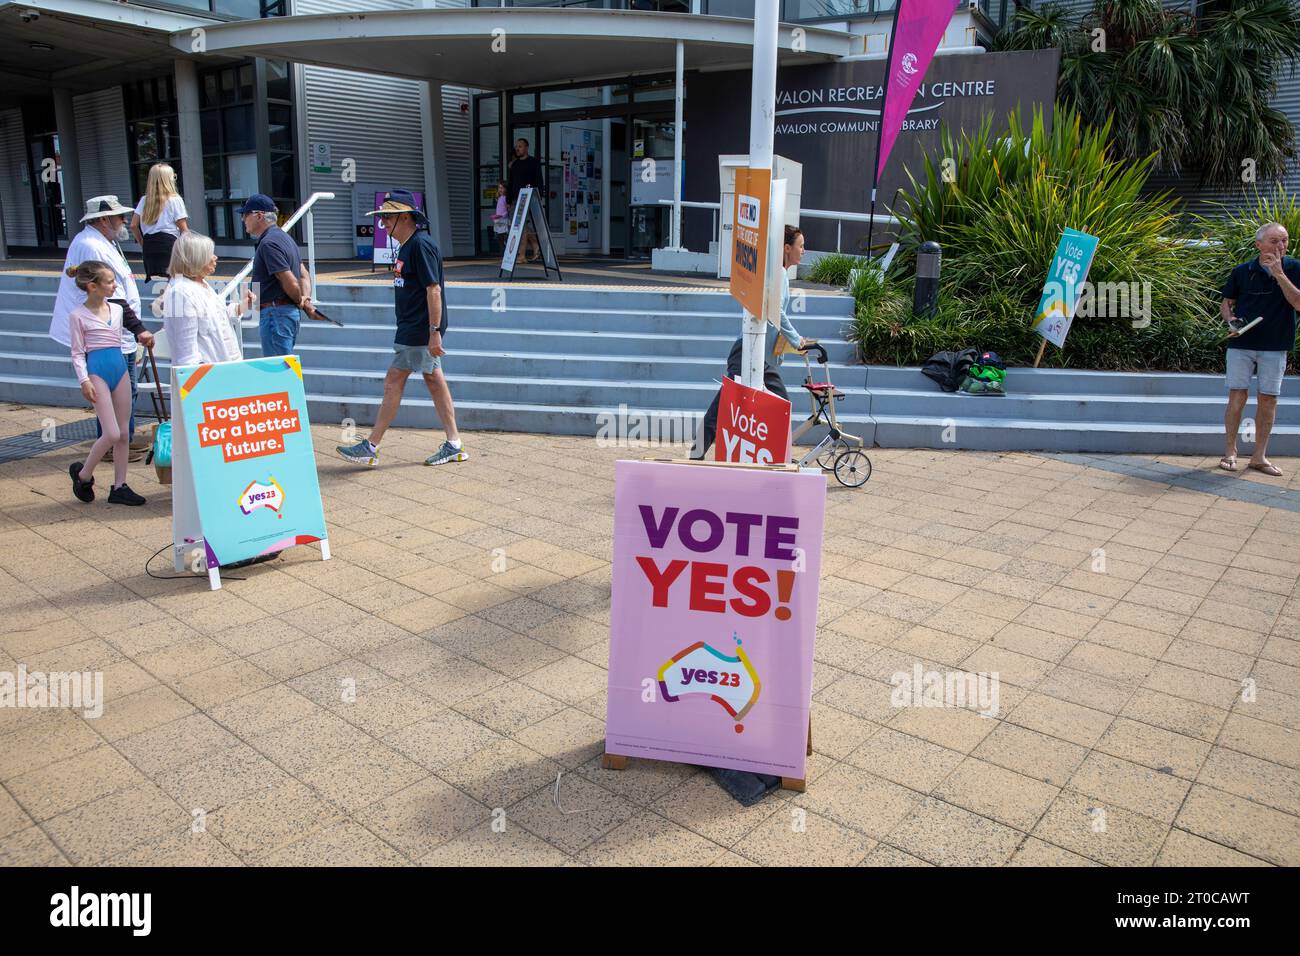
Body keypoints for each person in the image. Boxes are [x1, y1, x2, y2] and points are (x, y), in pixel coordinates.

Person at [336, 190, 466, 467]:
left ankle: (371, 446)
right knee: (434, 381)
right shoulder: (409, 245)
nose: (381, 223)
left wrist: (433, 331)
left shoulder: (420, 245)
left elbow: (434, 289)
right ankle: (454, 443)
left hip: (418, 330)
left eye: (386, 217)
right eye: (381, 217)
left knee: (394, 381)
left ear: (404, 217)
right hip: (414, 327)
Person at [692, 225, 816, 459]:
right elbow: (775, 312)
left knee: (780, 405)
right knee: (723, 407)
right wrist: (796, 339)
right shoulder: (777, 274)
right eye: (800, 246)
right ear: (787, 248)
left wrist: (793, 342)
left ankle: (776, 456)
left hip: (763, 358)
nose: (804, 251)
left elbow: (774, 318)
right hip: (747, 353)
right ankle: (697, 453)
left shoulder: (779, 274)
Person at [51, 195, 153, 459]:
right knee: (112, 391)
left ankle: (122, 438)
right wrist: (138, 328)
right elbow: (111, 294)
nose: (125, 221)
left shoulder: (102, 241)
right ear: (104, 220)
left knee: (124, 390)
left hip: (113, 330)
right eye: (119, 217)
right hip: (102, 333)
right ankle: (113, 442)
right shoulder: (92, 245)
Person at [1219, 221, 1300, 477]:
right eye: (1274, 241)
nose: (1281, 245)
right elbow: (1226, 304)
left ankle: (1258, 456)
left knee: (1269, 399)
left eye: (1284, 240)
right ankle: (1230, 451)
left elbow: (1298, 303)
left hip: (1275, 345)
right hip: (1241, 343)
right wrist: (1231, 321)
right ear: (1258, 244)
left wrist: (1279, 274)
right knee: (1237, 396)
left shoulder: (1295, 268)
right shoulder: (1243, 271)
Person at [65, 261, 149, 507]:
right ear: (93, 286)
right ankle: (83, 474)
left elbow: (128, 333)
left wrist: (143, 337)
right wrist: (84, 380)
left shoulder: (118, 310)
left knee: (123, 433)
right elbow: (77, 353)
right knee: (111, 432)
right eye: (110, 282)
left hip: (119, 367)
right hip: (97, 372)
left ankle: (119, 486)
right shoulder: (77, 315)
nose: (115, 286)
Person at [235, 193, 322, 358]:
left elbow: (287, 278)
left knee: (279, 371)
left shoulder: (269, 243)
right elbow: (303, 274)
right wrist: (306, 300)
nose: (242, 219)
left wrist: (301, 302)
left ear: (259, 215)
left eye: (245, 215)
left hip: (276, 313)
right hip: (284, 314)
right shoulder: (286, 239)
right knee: (283, 368)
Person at [157, 231, 253, 367]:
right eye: (209, 254)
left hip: (226, 371)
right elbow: (187, 354)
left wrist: (242, 306)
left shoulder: (200, 284)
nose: (215, 257)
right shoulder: (180, 293)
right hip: (208, 378)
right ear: (195, 258)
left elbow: (218, 319)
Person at [131, 163, 189, 282]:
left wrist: (143, 244)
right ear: (168, 180)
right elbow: (184, 230)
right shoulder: (175, 199)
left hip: (149, 245)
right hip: (170, 245)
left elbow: (133, 225)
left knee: (158, 284)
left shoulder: (144, 200)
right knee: (175, 283)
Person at [506, 138, 544, 262]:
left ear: (526, 147)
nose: (517, 148)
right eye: (516, 146)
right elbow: (510, 183)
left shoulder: (533, 162)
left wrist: (539, 197)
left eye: (520, 146)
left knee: (523, 227)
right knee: (522, 227)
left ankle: (521, 255)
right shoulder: (515, 165)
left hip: (529, 198)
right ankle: (536, 247)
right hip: (516, 199)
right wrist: (508, 201)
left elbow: (539, 180)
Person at [491, 180, 510, 253]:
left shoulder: (506, 198)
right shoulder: (499, 198)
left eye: (502, 188)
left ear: (506, 189)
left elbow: (508, 208)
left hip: (504, 219)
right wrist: (496, 216)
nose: (500, 189)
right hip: (498, 219)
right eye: (499, 188)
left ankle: (506, 250)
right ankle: (502, 250)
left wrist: (503, 215)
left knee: (504, 234)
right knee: (499, 235)